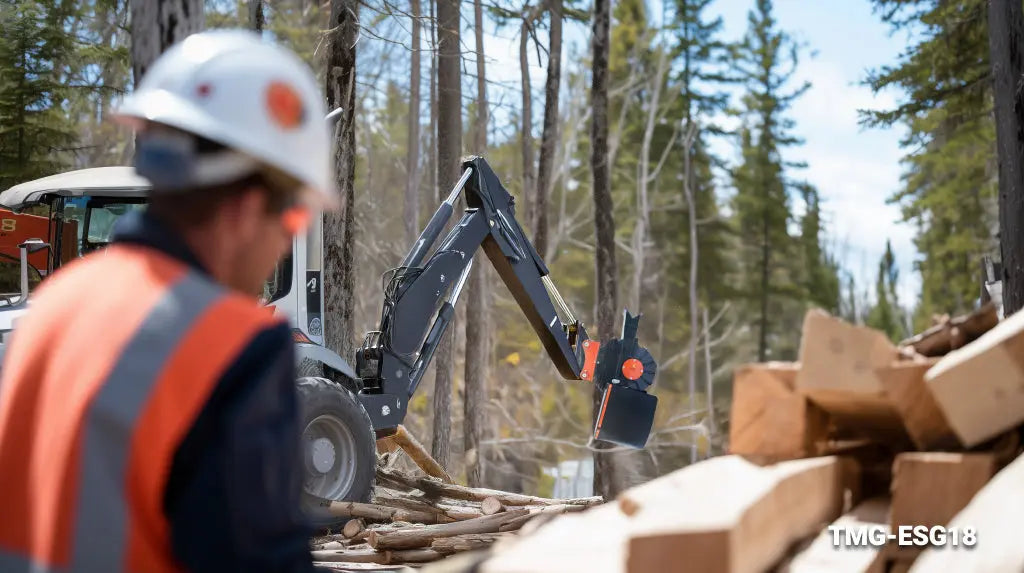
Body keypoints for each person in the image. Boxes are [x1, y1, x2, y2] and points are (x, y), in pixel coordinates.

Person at [0, 30, 335, 572]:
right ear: (246, 209)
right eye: (294, 219)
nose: (283, 243)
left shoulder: (50, 311)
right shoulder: (232, 347)